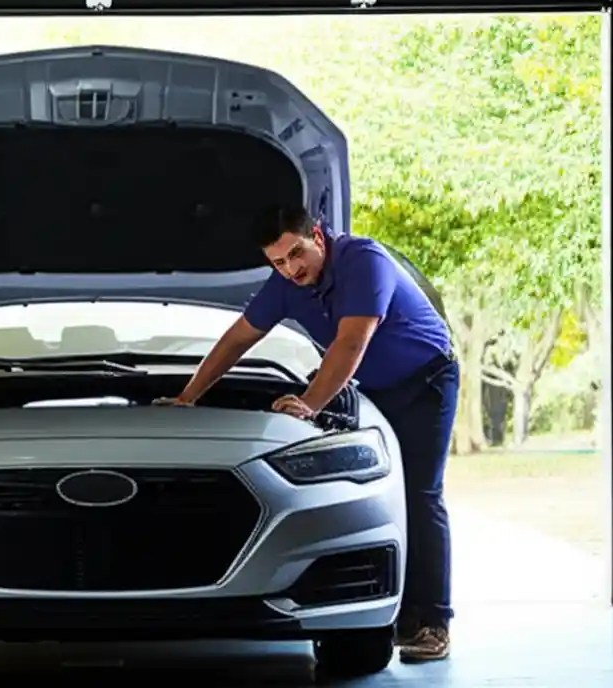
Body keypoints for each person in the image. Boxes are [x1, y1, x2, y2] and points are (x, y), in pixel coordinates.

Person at [156, 202, 459, 663]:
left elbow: (352, 341)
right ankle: (389, 609)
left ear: (317, 236)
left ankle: (433, 622)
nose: (291, 269)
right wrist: (188, 397)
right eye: (278, 262)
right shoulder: (285, 285)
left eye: (296, 254)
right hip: (370, 387)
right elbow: (239, 337)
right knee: (374, 491)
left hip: (425, 383)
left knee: (420, 494)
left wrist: (309, 403)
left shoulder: (364, 260)